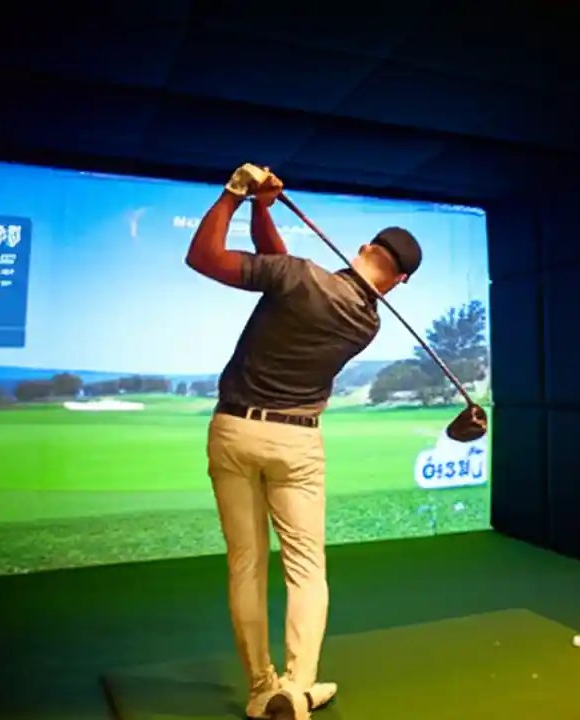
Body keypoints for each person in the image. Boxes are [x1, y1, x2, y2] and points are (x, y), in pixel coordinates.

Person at [185, 163, 422, 719]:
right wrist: (265, 211)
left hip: (234, 431)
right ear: (400, 281)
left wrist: (236, 194)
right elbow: (284, 267)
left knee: (246, 564)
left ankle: (261, 687)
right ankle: (296, 687)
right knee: (305, 568)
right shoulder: (368, 323)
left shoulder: (299, 277)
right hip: (296, 445)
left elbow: (205, 257)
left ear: (364, 246)